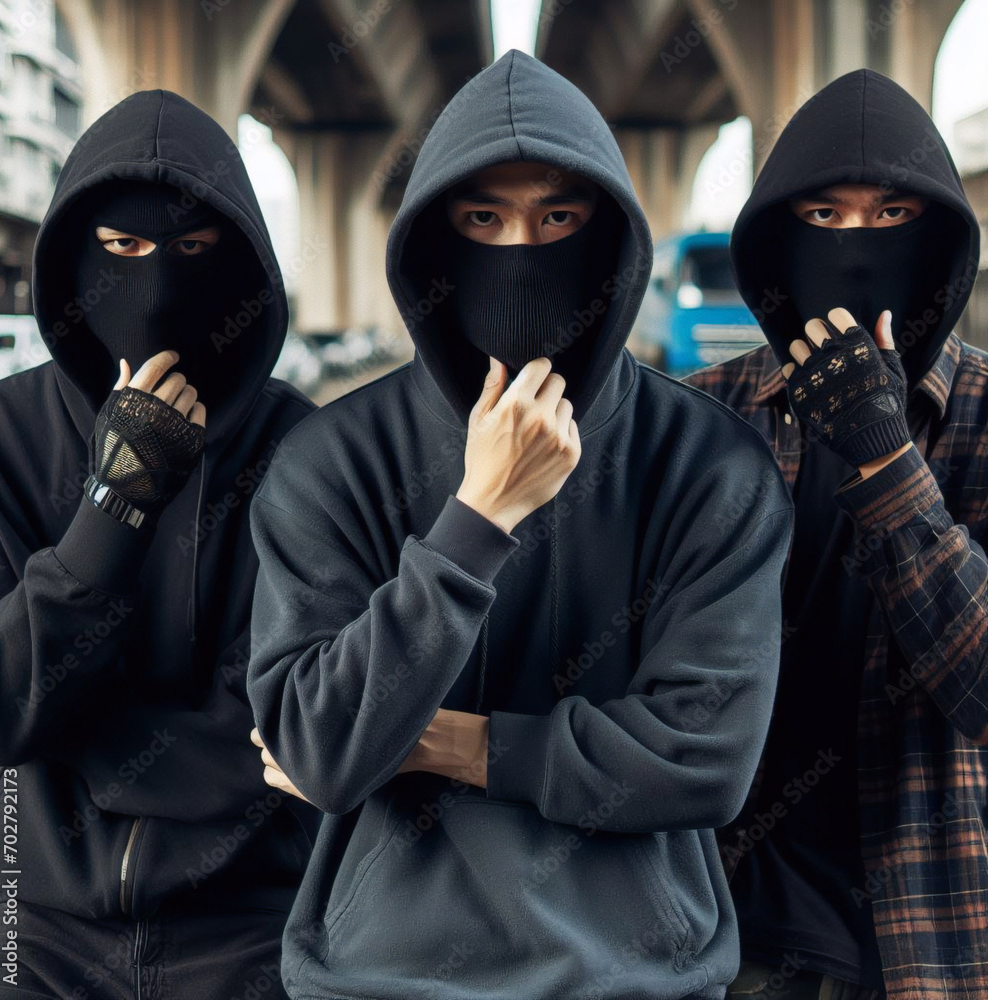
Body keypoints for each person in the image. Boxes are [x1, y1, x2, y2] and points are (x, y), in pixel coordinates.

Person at [247, 50, 793, 1000]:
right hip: (384, 980)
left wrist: (422, 740)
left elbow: (703, 763)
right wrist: (480, 515)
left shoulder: (712, 465)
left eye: (559, 218)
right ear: (433, 241)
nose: (522, 248)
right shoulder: (331, 461)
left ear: (612, 239)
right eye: (482, 218)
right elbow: (316, 750)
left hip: (642, 979)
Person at [0, 90, 317, 997]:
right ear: (70, 266)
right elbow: (4, 704)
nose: (159, 287)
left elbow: (292, 723)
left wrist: (67, 753)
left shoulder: (305, 451)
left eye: (195, 253)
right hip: (30, 919)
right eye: (123, 251)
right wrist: (117, 503)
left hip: (252, 921)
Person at [686, 69, 988, 1000]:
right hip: (734, 929)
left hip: (930, 928)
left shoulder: (985, 416)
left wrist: (885, 457)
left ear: (939, 242)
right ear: (778, 243)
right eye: (825, 217)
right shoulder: (705, 416)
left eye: (892, 215)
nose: (857, 246)